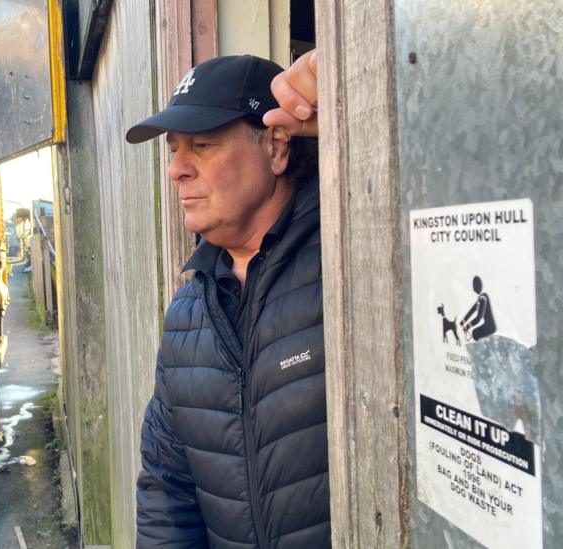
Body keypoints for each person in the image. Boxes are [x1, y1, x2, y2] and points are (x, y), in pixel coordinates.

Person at [127, 53, 328, 548]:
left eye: (203, 144)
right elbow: (166, 488)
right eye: (174, 150)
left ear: (277, 146)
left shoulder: (353, 268)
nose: (176, 169)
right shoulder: (188, 313)